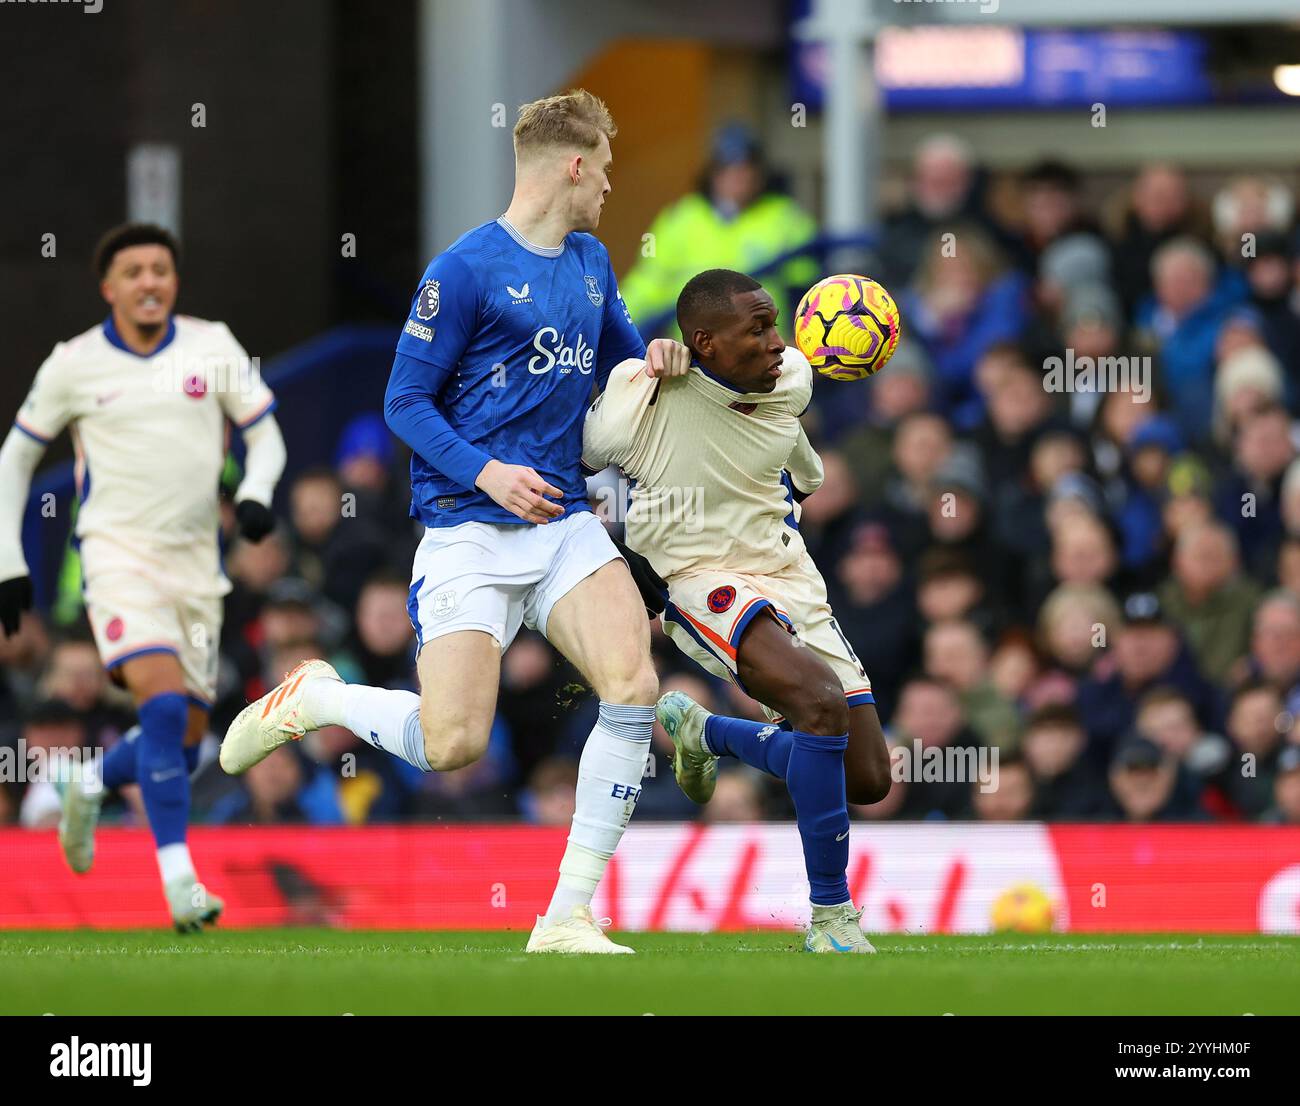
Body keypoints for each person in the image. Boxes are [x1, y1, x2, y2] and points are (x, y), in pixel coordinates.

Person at [218, 89, 689, 954]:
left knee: (631, 685)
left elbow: (623, 358)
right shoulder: (463, 270)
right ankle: (317, 695)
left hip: (564, 526)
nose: (611, 189)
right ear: (574, 164)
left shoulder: (592, 263)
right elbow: (403, 400)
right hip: (467, 529)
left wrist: (657, 356)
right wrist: (488, 471)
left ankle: (567, 915)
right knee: (453, 744)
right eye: (608, 171)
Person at [582, 268, 892, 954]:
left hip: (789, 572)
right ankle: (833, 919)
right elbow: (587, 449)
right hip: (699, 577)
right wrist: (645, 363)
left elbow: (803, 475)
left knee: (868, 778)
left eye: (775, 323)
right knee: (817, 704)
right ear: (704, 343)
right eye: (757, 329)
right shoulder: (648, 394)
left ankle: (707, 732)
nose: (777, 341)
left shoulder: (794, 381)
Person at [0, 222, 287, 930]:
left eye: (160, 269)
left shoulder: (212, 346)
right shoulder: (74, 363)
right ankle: (181, 882)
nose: (149, 282)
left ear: (174, 282)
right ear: (109, 288)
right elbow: (13, 459)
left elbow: (267, 435)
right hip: (116, 557)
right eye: (134, 272)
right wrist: (9, 564)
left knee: (183, 744)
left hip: (198, 573)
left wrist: (254, 493)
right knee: (159, 711)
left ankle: (92, 785)